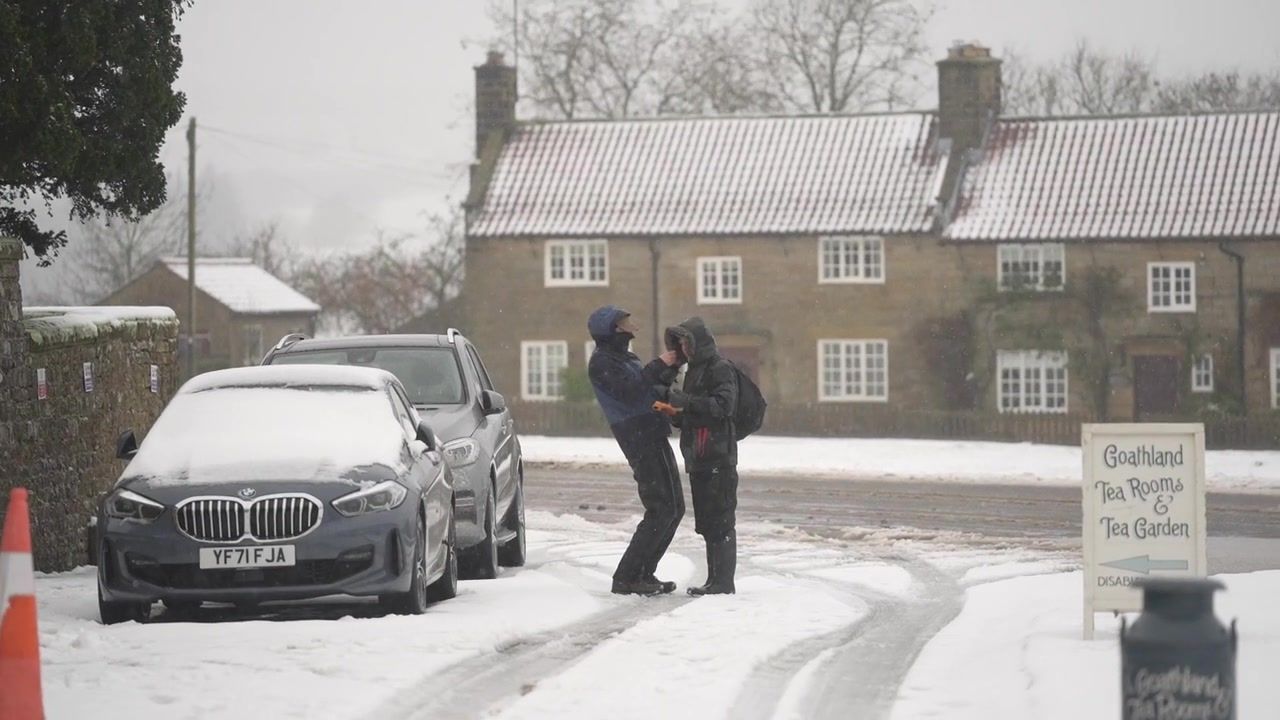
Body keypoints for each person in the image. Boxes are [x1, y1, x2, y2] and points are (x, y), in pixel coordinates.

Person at [587, 305, 684, 596]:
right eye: (626, 322)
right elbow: (631, 391)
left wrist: (671, 367)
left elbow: (648, 389)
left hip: (651, 430)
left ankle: (643, 573)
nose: (633, 326)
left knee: (674, 508)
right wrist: (657, 365)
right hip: (637, 435)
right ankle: (627, 576)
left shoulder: (624, 357)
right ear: (614, 328)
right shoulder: (602, 362)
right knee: (661, 507)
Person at [655, 317, 739, 596]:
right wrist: (675, 413)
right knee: (707, 521)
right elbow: (696, 412)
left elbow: (723, 406)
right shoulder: (694, 372)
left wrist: (685, 402)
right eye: (680, 344)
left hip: (717, 456)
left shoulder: (720, 369)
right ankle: (715, 580)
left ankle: (723, 582)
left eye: (686, 343)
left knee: (721, 520)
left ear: (698, 343)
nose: (684, 349)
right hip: (699, 458)